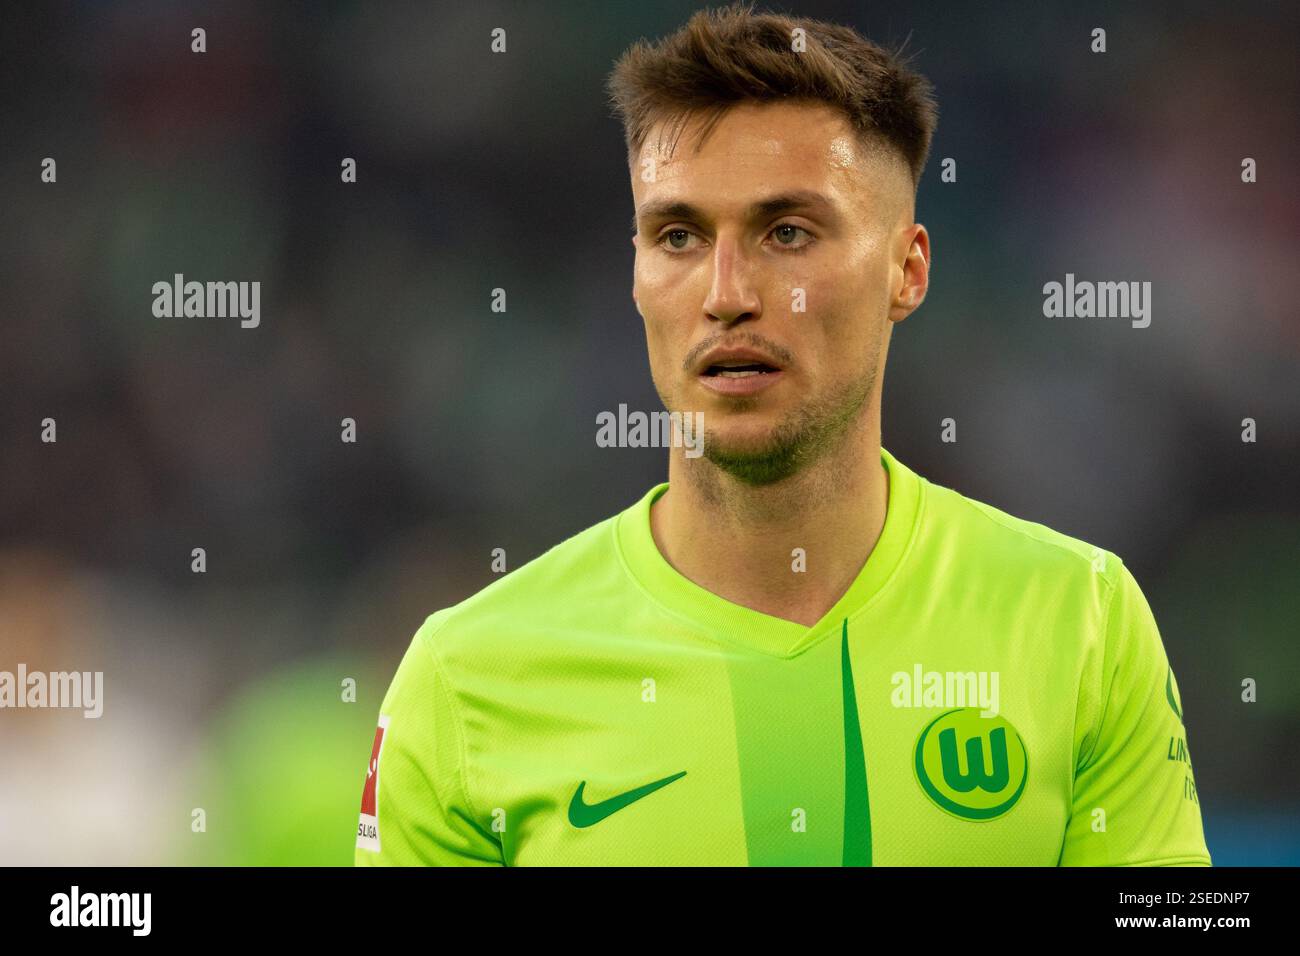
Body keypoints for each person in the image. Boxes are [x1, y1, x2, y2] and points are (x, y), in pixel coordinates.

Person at [355, 2, 1210, 866]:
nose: (727, 292)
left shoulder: (1080, 621)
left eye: (788, 232)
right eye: (679, 235)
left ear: (906, 270)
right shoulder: (468, 679)